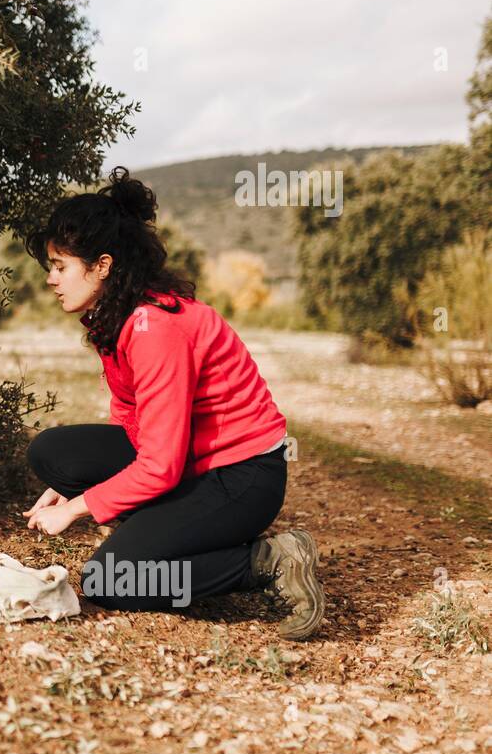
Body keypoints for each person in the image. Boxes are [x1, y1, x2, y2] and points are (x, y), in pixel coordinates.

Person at [20, 167, 325, 640]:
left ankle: (266, 562)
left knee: (111, 579)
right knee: (52, 452)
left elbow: (160, 465)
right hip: (191, 463)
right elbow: (129, 413)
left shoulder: (154, 326)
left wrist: (79, 506)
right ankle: (166, 529)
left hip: (243, 476)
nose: (52, 279)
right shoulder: (114, 317)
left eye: (60, 266)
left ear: (102, 265)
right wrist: (74, 485)